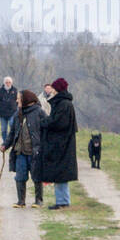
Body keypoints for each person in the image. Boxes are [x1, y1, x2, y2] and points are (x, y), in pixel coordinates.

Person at [1, 89, 44, 207]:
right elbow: (12, 133)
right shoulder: (17, 114)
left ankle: (38, 201)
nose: (16, 100)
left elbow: (47, 131)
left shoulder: (39, 112)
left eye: (19, 98)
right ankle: (21, 201)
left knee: (37, 176)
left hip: (34, 152)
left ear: (26, 100)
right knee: (20, 177)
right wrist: (5, 145)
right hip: (20, 152)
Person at [42, 77, 78, 209]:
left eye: (54, 88)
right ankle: (62, 201)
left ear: (58, 89)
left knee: (60, 173)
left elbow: (58, 123)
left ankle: (62, 202)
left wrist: (45, 123)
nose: (51, 91)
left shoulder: (64, 104)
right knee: (60, 173)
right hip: (62, 143)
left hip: (61, 144)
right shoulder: (64, 103)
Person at [0, 76, 18, 144]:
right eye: (6, 82)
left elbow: (18, 100)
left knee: (12, 126)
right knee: (4, 129)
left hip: (12, 113)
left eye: (9, 82)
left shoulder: (15, 90)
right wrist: (1, 107)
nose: (8, 84)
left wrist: (15, 107)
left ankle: (12, 141)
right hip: (2, 114)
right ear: (4, 83)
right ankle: (5, 142)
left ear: (11, 83)